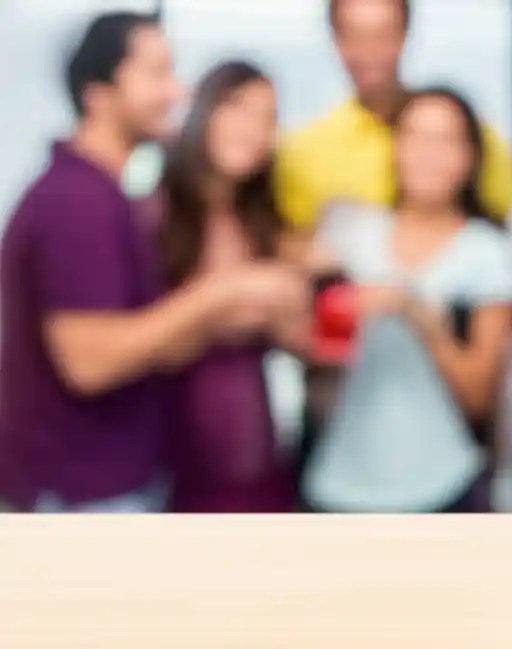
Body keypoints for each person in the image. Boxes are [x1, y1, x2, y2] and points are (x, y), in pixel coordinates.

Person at [0, 13, 303, 512]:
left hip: (115, 483)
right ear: (99, 92)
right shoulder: (79, 204)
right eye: (157, 74)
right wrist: (223, 292)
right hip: (82, 495)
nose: (178, 93)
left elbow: (152, 341)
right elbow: (90, 364)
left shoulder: (103, 197)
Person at [302, 88, 512, 513]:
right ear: (396, 147)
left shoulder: (487, 253)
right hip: (336, 482)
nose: (428, 154)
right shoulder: (350, 234)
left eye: (446, 140)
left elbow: (479, 394)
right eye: (416, 137)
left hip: (442, 486)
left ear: (470, 157)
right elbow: (314, 360)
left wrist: (416, 311)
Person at [158, 62, 312, 512]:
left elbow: (300, 340)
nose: (256, 129)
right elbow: (141, 347)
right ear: (205, 109)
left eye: (269, 117)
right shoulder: (154, 217)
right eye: (240, 108)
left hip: (257, 442)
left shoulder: (263, 225)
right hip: (172, 449)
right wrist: (232, 296)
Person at [274, 0, 512, 244]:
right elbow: (292, 245)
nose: (370, 50)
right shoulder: (301, 152)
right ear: (336, 40)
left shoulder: (470, 134)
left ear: (405, 35)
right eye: (356, 35)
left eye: (383, 34)